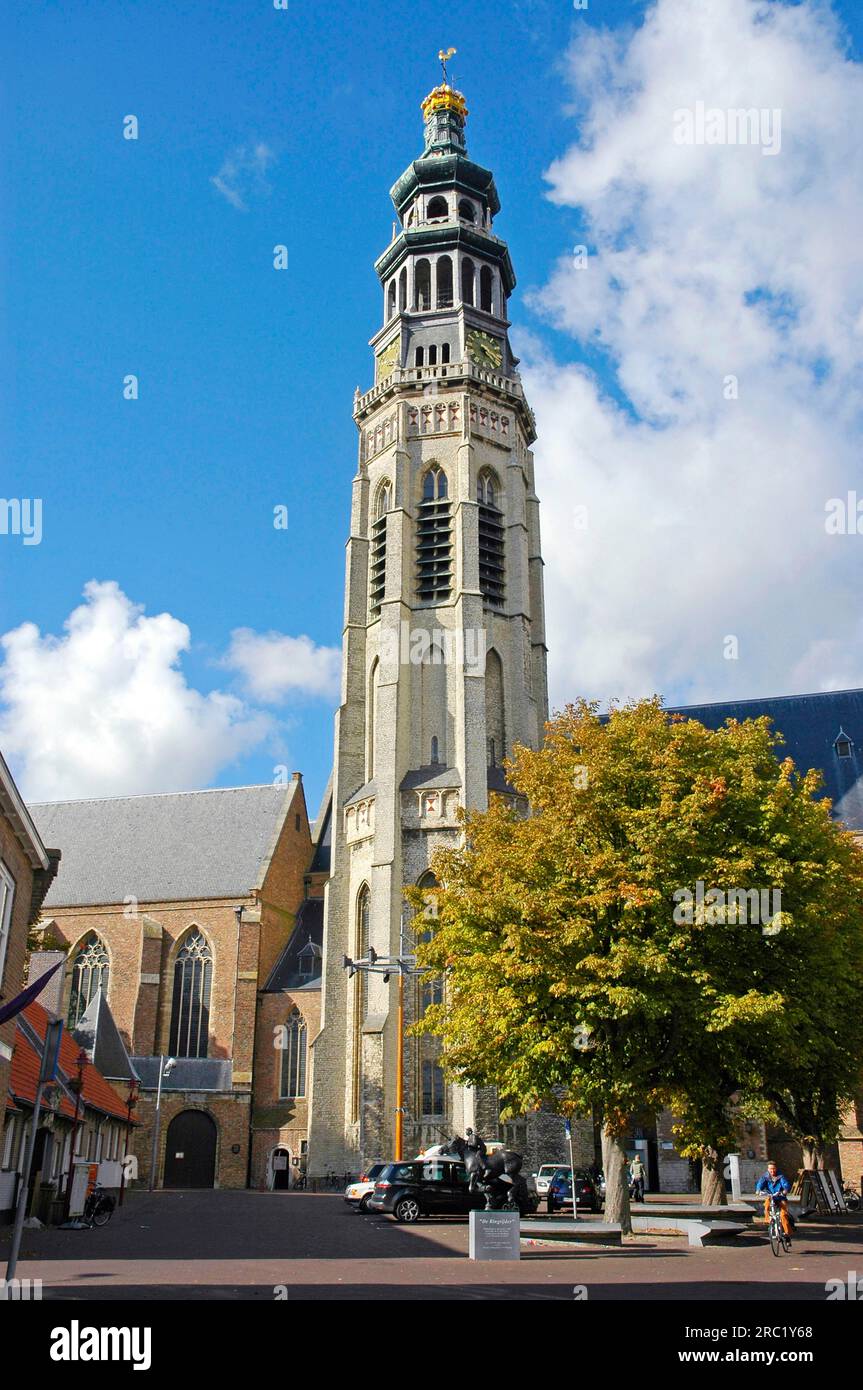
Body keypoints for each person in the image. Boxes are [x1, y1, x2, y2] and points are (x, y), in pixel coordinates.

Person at [755, 1160, 794, 1239]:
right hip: (771, 1196)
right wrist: (758, 1190)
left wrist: (784, 1191)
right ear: (768, 1169)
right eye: (770, 1169)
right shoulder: (765, 1177)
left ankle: (787, 1234)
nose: (772, 1170)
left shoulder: (781, 1176)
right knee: (766, 1204)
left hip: (780, 1197)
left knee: (783, 1215)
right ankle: (768, 1220)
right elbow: (760, 1184)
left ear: (776, 1168)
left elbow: (786, 1184)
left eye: (773, 1168)